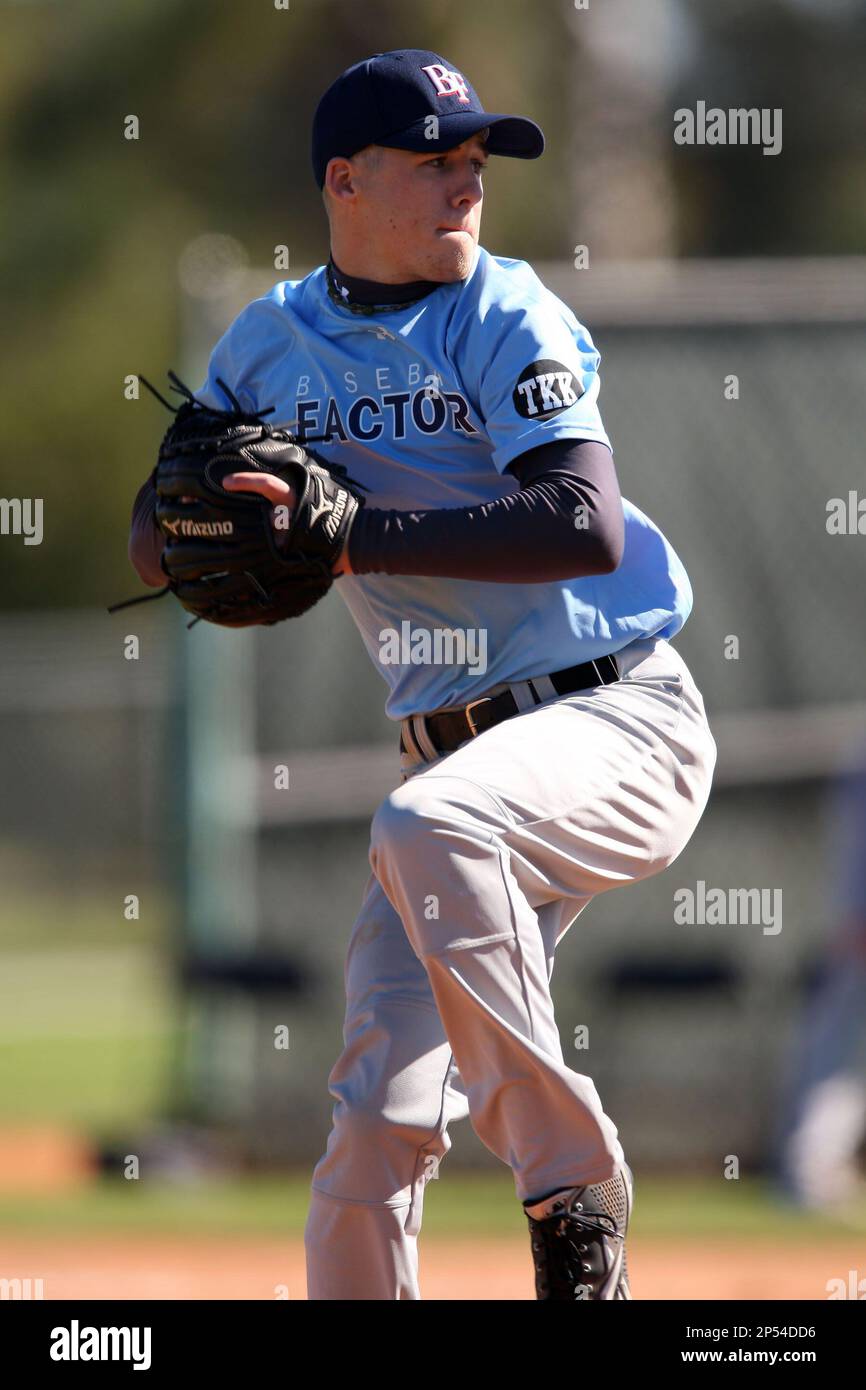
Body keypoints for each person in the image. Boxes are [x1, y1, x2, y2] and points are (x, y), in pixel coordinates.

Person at [128, 49, 717, 1301]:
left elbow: (581, 522)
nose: (466, 183)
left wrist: (347, 535)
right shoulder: (269, 342)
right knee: (373, 1126)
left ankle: (570, 1183)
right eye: (435, 161)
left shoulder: (501, 313)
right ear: (344, 181)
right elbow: (153, 531)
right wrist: (209, 519)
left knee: (424, 821)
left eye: (475, 162)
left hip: (615, 717)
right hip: (454, 772)